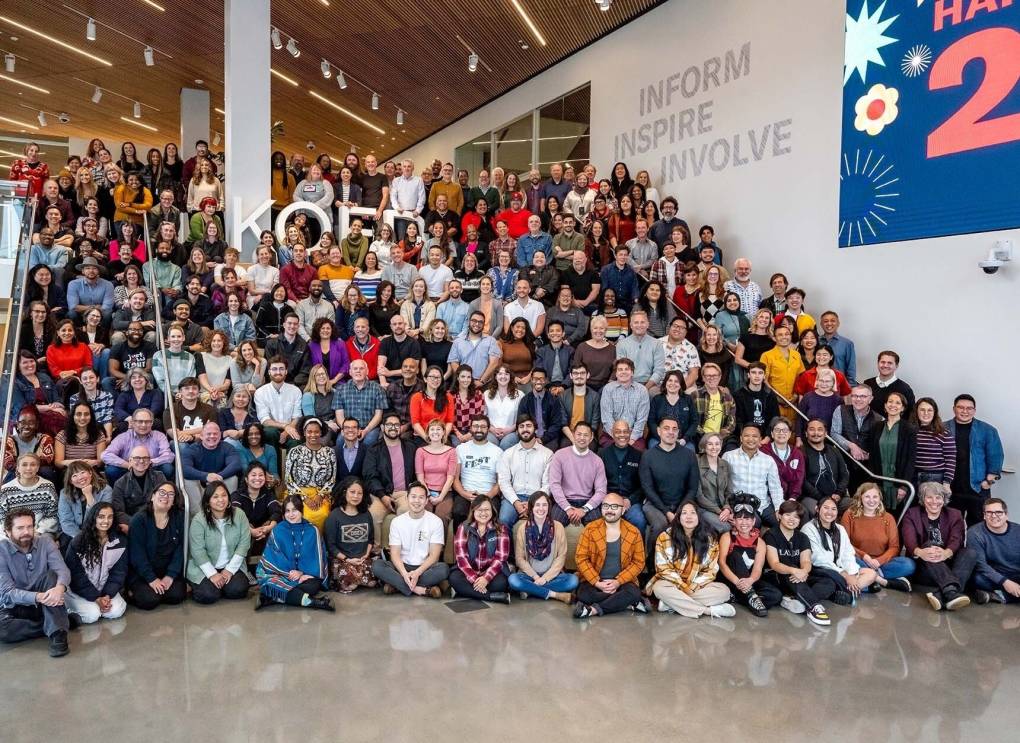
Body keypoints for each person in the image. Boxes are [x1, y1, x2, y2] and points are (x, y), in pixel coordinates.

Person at [0, 509, 72, 656]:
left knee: (52, 576)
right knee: (3, 630)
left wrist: (60, 588)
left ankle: (58, 634)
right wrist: (37, 597)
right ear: (8, 531)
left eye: (30, 526)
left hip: (44, 602)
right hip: (16, 606)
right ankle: (56, 623)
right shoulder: (2, 551)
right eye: (20, 528)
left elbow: (62, 570)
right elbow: (7, 593)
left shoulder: (45, 542)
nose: (26, 531)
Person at [647, 502, 734, 618]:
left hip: (696, 586)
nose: (689, 516)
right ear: (678, 518)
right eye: (684, 513)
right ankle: (708, 611)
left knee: (724, 591)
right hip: (672, 583)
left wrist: (691, 587)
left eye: (693, 513)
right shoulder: (665, 537)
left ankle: (670, 604)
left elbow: (710, 571)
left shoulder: (710, 539)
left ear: (699, 517)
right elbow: (663, 569)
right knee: (659, 588)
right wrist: (683, 587)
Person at [900, 482, 975, 611]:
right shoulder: (912, 514)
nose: (934, 501)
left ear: (944, 499)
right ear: (923, 499)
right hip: (925, 567)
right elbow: (909, 541)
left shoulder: (955, 514)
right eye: (929, 497)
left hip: (948, 565)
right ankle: (950, 592)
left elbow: (957, 540)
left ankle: (944, 593)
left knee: (970, 552)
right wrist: (920, 552)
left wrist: (946, 553)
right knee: (929, 545)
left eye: (938, 497)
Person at [572, 492, 647, 618]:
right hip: (595, 580)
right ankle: (625, 604)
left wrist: (618, 582)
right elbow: (581, 558)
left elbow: (639, 563)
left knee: (633, 592)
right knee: (583, 594)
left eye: (614, 507)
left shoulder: (633, 532)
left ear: (623, 510)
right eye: (605, 506)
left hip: (622, 582)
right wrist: (597, 582)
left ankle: (594, 609)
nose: (609, 510)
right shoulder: (590, 529)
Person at [255, 494, 333, 611]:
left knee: (312, 585)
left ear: (301, 510)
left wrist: (302, 572)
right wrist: (289, 573)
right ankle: (314, 602)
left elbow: (317, 558)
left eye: (294, 510)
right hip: (281, 574)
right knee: (270, 582)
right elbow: (273, 557)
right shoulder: (278, 530)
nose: (291, 514)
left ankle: (273, 597)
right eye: (287, 511)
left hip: (304, 576)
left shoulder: (313, 530)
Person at [371, 482, 449, 598]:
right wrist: (404, 573)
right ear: (407, 498)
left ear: (426, 500)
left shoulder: (435, 521)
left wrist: (417, 573)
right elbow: (395, 554)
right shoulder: (397, 522)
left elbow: (434, 556)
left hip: (425, 568)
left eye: (421, 497)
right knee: (377, 566)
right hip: (402, 567)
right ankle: (420, 590)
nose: (417, 501)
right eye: (413, 497)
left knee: (443, 570)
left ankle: (397, 585)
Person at [763, 500, 833, 625]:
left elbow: (806, 561)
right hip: (776, 576)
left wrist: (804, 571)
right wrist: (795, 571)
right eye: (788, 515)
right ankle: (813, 607)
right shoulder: (771, 535)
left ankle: (797, 600)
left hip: (797, 578)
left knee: (828, 582)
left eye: (796, 517)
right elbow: (774, 564)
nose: (792, 519)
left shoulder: (802, 537)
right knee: (791, 567)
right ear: (779, 515)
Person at [802, 495, 878, 605]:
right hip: (820, 570)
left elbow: (848, 553)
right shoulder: (809, 528)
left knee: (871, 574)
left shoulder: (840, 529)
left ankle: (843, 591)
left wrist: (851, 574)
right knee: (833, 580)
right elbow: (818, 558)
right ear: (817, 509)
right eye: (826, 508)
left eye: (833, 509)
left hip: (839, 568)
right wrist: (844, 574)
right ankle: (849, 591)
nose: (830, 512)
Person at [184, 482, 251, 605]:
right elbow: (197, 551)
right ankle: (207, 586)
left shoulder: (239, 515)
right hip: (203, 567)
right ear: (208, 501)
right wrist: (212, 574)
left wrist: (229, 570)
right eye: (215, 497)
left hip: (230, 565)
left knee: (238, 590)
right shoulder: (199, 520)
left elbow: (244, 544)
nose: (221, 500)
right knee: (208, 595)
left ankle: (221, 586)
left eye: (224, 495)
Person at [63, 501, 128, 625]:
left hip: (104, 588)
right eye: (101, 517)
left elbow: (119, 572)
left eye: (110, 517)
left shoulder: (120, 541)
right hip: (80, 590)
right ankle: (67, 605)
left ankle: (99, 603)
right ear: (94, 518)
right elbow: (76, 576)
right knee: (92, 615)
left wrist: (107, 595)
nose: (106, 521)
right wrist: (95, 598)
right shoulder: (79, 542)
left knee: (115, 612)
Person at [840, 483, 914, 591]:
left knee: (909, 565)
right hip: (858, 559)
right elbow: (844, 543)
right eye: (867, 496)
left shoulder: (888, 518)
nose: (871, 500)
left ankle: (870, 579)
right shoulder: (849, 515)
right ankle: (883, 581)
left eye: (875, 497)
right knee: (846, 561)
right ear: (860, 498)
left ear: (880, 498)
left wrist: (879, 561)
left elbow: (894, 547)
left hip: (881, 563)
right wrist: (864, 556)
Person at [716, 495, 782, 616]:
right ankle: (751, 596)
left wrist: (750, 581)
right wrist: (738, 582)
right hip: (730, 579)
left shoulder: (760, 542)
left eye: (747, 519)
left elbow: (757, 568)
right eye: (740, 519)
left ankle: (739, 598)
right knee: (735, 556)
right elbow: (722, 563)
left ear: (753, 521)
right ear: (734, 521)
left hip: (748, 580)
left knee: (776, 595)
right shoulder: (727, 537)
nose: (744, 522)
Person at [127, 482, 187, 610]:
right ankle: (131, 592)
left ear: (174, 501)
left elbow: (180, 548)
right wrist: (152, 579)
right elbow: (137, 555)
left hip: (166, 570)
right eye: (162, 492)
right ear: (152, 496)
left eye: (171, 494)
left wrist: (170, 575)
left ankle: (160, 589)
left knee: (177, 596)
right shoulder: (139, 520)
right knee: (150, 600)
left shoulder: (179, 517)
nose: (166, 496)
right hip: (143, 573)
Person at [508, 491, 578, 602]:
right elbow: (520, 559)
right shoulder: (523, 528)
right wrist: (536, 577)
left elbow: (561, 557)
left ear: (549, 508)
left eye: (544, 505)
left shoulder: (558, 526)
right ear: (531, 508)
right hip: (530, 576)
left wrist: (545, 578)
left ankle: (530, 590)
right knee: (513, 580)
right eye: (537, 505)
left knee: (573, 580)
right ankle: (555, 595)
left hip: (552, 576)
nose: (541, 508)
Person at [947, 394, 1004, 526]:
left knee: (978, 526)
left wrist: (988, 481)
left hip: (978, 488)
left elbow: (996, 455)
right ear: (954, 408)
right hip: (950, 488)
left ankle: (975, 548)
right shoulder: (943, 428)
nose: (965, 411)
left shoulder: (987, 430)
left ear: (974, 410)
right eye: (961, 407)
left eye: (969, 408)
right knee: (951, 526)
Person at [364, 411, 419, 542]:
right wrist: (382, 495)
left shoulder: (411, 447)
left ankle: (403, 551)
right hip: (381, 493)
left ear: (401, 427)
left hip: (404, 493)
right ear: (382, 428)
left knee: (407, 513)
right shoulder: (374, 449)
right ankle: (377, 552)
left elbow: (418, 472)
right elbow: (369, 476)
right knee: (374, 515)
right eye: (389, 424)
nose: (393, 427)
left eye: (396, 425)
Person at [449, 496, 511, 603]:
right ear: (473, 511)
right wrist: (474, 579)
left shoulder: (501, 528)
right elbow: (461, 558)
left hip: (491, 572)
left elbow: (500, 558)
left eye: (487, 509)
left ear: (492, 511)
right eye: (479, 510)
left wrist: (486, 578)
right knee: (454, 578)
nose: (483, 513)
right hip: (469, 571)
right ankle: (492, 597)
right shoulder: (463, 528)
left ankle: (465, 592)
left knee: (501, 583)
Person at [496, 416, 553, 529]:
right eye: (521, 426)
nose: (525, 429)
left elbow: (548, 484)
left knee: (543, 523)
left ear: (535, 429)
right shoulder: (508, 454)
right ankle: (510, 547)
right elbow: (504, 482)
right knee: (503, 520)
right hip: (514, 496)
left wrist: (532, 503)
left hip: (538, 497)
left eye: (528, 426)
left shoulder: (548, 454)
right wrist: (516, 502)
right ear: (517, 431)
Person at [548, 421, 607, 526]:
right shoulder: (559, 455)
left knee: (597, 528)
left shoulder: (597, 461)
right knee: (553, 526)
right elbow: (554, 484)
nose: (582, 438)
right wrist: (567, 508)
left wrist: (584, 509)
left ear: (591, 437)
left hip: (587, 501)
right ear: (573, 435)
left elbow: (601, 491)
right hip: (564, 500)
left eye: (586, 435)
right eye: (579, 434)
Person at [723, 424, 783, 528]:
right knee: (755, 522)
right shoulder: (729, 456)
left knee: (782, 522)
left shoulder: (768, 460)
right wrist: (727, 507)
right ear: (741, 438)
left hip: (764, 504)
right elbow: (722, 486)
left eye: (755, 436)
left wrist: (778, 508)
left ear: (760, 439)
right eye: (747, 436)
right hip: (740, 504)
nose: (751, 439)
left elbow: (776, 487)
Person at [323, 478, 377, 594]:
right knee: (349, 583)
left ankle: (360, 578)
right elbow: (331, 546)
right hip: (343, 560)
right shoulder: (334, 516)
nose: (356, 496)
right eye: (352, 492)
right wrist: (348, 560)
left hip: (363, 559)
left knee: (376, 575)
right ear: (344, 492)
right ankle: (357, 579)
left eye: (359, 493)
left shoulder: (366, 514)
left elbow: (370, 539)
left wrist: (366, 555)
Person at [866, 392, 916, 512]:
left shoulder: (909, 429)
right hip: (879, 481)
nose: (893, 405)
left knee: (896, 518)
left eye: (898, 403)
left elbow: (910, 460)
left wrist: (904, 486)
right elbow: (872, 457)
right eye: (890, 401)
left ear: (903, 408)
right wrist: (872, 484)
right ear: (885, 405)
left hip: (898, 483)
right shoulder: (876, 427)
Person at [285, 418, 337, 531]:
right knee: (303, 516)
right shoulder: (295, 451)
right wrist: (304, 498)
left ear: (321, 432)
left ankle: (318, 545)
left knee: (323, 514)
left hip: (321, 494)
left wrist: (321, 495)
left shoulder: (329, 452)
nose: (313, 435)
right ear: (304, 433)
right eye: (309, 432)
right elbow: (289, 480)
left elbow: (332, 479)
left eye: (316, 432)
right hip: (298, 494)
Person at [830, 384, 884, 491]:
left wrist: (870, 456)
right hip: (843, 462)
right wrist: (851, 445)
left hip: (866, 467)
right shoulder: (840, 410)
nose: (858, 399)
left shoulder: (880, 419)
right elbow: (834, 433)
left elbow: (880, 445)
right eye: (854, 396)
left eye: (863, 396)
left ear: (870, 399)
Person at [453, 415, 504, 527]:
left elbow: (500, 482)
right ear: (470, 428)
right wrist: (464, 493)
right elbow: (455, 479)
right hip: (466, 493)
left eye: (483, 426)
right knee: (458, 512)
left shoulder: (497, 452)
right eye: (476, 426)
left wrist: (486, 497)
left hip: (488, 494)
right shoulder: (461, 449)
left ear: (488, 429)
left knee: (494, 514)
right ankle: (460, 543)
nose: (479, 429)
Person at [181, 422, 242, 512]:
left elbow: (236, 464)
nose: (212, 436)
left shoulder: (227, 447)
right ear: (201, 436)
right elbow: (185, 469)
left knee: (233, 478)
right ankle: (198, 516)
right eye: (208, 434)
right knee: (187, 480)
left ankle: (227, 512)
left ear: (220, 435)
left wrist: (219, 477)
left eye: (215, 433)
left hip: (220, 485)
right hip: (200, 485)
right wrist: (206, 476)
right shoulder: (192, 449)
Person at [968, 498, 1020, 604]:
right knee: (977, 579)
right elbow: (981, 565)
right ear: (984, 515)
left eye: (999, 512)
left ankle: (998, 596)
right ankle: (1004, 595)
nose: (994, 516)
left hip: (1017, 574)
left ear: (1006, 515)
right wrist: (1004, 581)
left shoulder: (1017, 531)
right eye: (989, 512)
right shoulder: (975, 533)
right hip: (995, 576)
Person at [0, 454, 60, 539]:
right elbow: (2, 519)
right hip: (14, 532)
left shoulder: (48, 487)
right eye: (24, 465)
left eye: (33, 464)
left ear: (38, 467)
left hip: (40, 532)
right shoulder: (6, 489)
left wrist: (37, 532)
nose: (28, 468)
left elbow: (52, 516)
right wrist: (15, 533)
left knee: (45, 542)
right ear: (18, 467)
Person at [231, 462, 281, 561]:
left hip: (264, 529)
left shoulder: (268, 494)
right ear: (246, 479)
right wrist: (251, 530)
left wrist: (268, 528)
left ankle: (272, 569)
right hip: (244, 530)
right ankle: (244, 570)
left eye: (261, 475)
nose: (257, 478)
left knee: (279, 528)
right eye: (253, 475)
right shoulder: (237, 495)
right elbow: (235, 514)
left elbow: (276, 512)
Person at [800, 418, 851, 514]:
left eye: (820, 429)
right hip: (813, 498)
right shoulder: (800, 452)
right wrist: (822, 498)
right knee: (818, 511)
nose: (816, 433)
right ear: (806, 433)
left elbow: (844, 474)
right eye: (811, 429)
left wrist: (839, 493)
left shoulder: (834, 450)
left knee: (856, 506)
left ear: (825, 433)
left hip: (837, 497)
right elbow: (802, 481)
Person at [414, 420, 458, 526]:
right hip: (425, 491)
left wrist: (440, 497)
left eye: (438, 429)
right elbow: (420, 477)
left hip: (445, 492)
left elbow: (450, 477)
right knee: (423, 514)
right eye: (432, 429)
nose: (435, 432)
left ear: (444, 432)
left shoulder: (451, 451)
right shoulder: (420, 451)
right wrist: (428, 495)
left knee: (441, 516)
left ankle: (438, 543)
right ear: (428, 433)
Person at [599, 358, 650, 449]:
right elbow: (607, 419)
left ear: (632, 372)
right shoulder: (608, 389)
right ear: (616, 373)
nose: (623, 372)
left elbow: (642, 419)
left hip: (633, 435)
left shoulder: (642, 390)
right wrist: (617, 437)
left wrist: (632, 439)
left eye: (627, 369)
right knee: (610, 453)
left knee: (635, 453)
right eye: (620, 369)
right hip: (612, 435)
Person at [254, 357, 303, 449]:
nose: (278, 372)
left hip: (291, 428)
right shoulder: (260, 392)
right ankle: (273, 463)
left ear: (286, 371)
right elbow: (265, 420)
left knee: (296, 439)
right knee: (269, 432)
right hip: (272, 428)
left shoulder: (295, 390)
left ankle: (291, 463)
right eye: (274, 369)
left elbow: (296, 417)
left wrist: (287, 431)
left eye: (281, 369)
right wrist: (285, 426)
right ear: (269, 372)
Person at [695, 432, 735, 534]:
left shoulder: (725, 465)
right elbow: (699, 496)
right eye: (710, 444)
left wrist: (727, 509)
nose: (714, 447)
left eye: (717, 444)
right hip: (703, 508)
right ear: (704, 445)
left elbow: (729, 492)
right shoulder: (696, 462)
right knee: (726, 527)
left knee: (741, 523)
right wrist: (720, 512)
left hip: (723, 508)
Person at [761, 416, 805, 505]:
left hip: (792, 499)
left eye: (785, 430)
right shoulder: (763, 451)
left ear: (790, 434)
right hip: (768, 499)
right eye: (777, 430)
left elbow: (799, 479)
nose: (781, 433)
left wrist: (793, 497)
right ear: (772, 434)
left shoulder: (797, 453)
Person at [734, 362, 780, 436]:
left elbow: (775, 418)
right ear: (748, 375)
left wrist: (768, 437)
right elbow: (738, 421)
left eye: (760, 373)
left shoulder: (770, 395)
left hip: (766, 438)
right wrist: (747, 436)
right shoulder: (738, 395)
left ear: (764, 376)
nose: (757, 376)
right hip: (746, 437)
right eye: (753, 372)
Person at [864, 350, 915, 415]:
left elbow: (910, 414)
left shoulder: (905, 389)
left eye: (890, 363)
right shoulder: (867, 384)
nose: (885, 365)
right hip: (868, 424)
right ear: (878, 363)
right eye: (882, 362)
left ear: (896, 366)